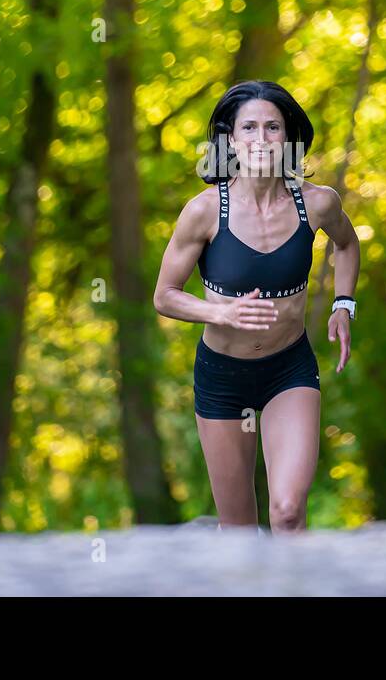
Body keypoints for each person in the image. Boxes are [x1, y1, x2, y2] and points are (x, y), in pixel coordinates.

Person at [153, 80, 360, 533]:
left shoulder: (318, 203)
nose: (262, 139)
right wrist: (219, 312)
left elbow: (347, 244)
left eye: (272, 127)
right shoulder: (205, 211)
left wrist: (344, 304)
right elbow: (164, 295)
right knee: (239, 531)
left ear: (288, 138)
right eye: (249, 128)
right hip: (223, 378)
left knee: (287, 512)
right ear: (231, 139)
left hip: (289, 370)